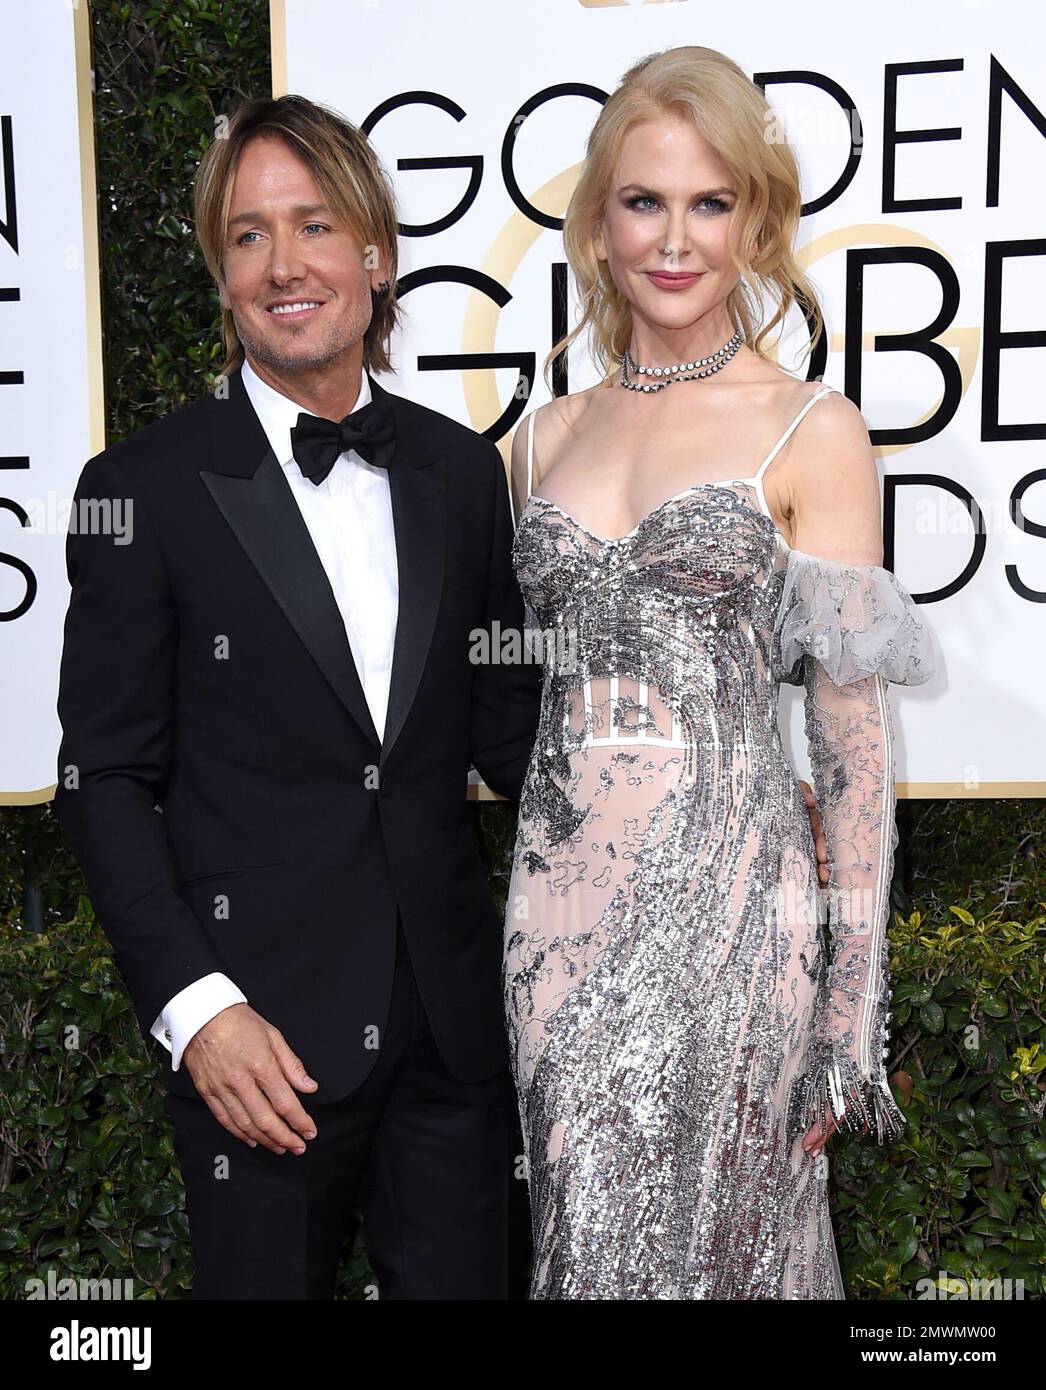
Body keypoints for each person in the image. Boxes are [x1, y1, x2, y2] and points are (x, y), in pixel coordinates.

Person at [52, 94, 543, 1299]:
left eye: (315, 226)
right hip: (255, 1046)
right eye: (248, 236)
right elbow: (103, 780)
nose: (285, 266)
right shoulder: (142, 489)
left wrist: (701, 803)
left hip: (450, 1037)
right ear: (222, 275)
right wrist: (197, 1010)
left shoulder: (458, 470)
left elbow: (513, 732)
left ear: (373, 256)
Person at [502, 46, 937, 1300]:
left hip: (741, 923)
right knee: (588, 1252)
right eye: (643, 201)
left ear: (755, 217)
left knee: (736, 1254)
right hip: (557, 933)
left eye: (709, 202)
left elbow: (850, 750)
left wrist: (846, 1007)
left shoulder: (812, 428)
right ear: (597, 222)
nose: (674, 239)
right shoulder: (537, 438)